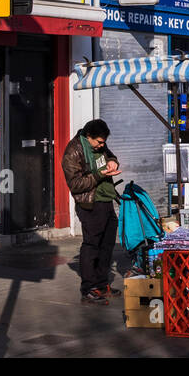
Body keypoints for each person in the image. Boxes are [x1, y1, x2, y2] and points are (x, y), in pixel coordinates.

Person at [62, 118, 122, 304]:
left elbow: (110, 155)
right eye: (99, 142)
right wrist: (99, 174)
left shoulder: (99, 146)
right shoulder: (73, 152)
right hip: (90, 203)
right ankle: (88, 288)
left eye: (103, 142)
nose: (101, 145)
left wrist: (112, 163)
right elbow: (76, 184)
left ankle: (102, 283)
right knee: (91, 245)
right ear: (89, 137)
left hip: (106, 200)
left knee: (107, 244)